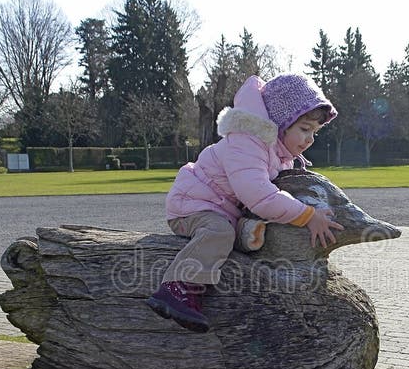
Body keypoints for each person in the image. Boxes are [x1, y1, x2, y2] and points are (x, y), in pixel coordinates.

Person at [146, 73, 343, 333]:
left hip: (224, 208)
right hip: (193, 205)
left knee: (249, 232)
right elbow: (258, 195)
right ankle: (177, 287)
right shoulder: (247, 144)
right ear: (280, 124)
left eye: (314, 132)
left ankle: (246, 237)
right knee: (219, 232)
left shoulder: (280, 155)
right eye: (304, 129)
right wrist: (307, 215)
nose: (309, 140)